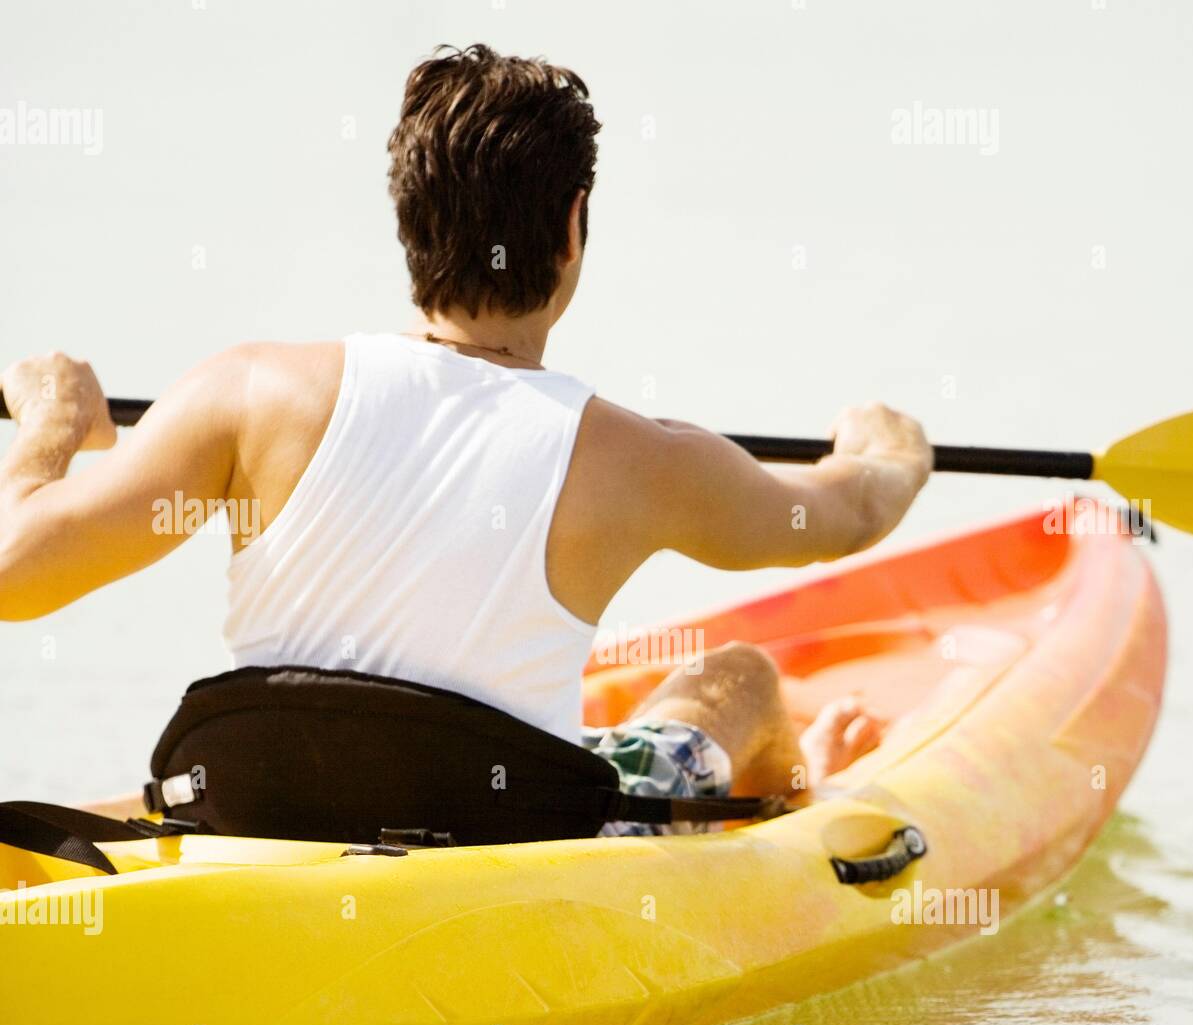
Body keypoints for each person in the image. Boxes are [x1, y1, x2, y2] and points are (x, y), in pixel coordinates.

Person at [0, 44, 931, 835]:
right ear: (573, 229)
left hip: (266, 811)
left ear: (407, 222)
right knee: (740, 681)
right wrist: (883, 449)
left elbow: (14, 573)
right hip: (506, 840)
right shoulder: (645, 460)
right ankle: (812, 813)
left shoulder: (246, 389)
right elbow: (845, 515)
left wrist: (49, 425)